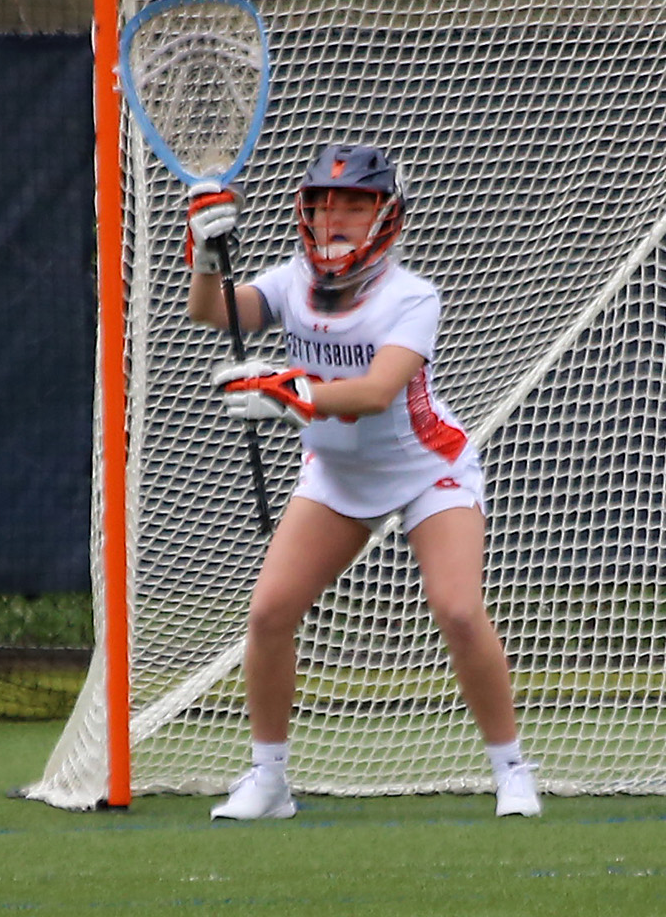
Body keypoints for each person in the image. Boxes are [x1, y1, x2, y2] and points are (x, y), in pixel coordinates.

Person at [183, 142, 541, 821]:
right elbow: (214, 311)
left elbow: (377, 391)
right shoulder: (290, 282)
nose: (335, 217)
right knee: (268, 613)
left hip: (427, 470)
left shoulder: (414, 297)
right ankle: (269, 780)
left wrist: (290, 393)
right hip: (337, 472)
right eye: (323, 204)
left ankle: (513, 771)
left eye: (354, 204)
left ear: (388, 216)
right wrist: (204, 254)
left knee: (459, 610)